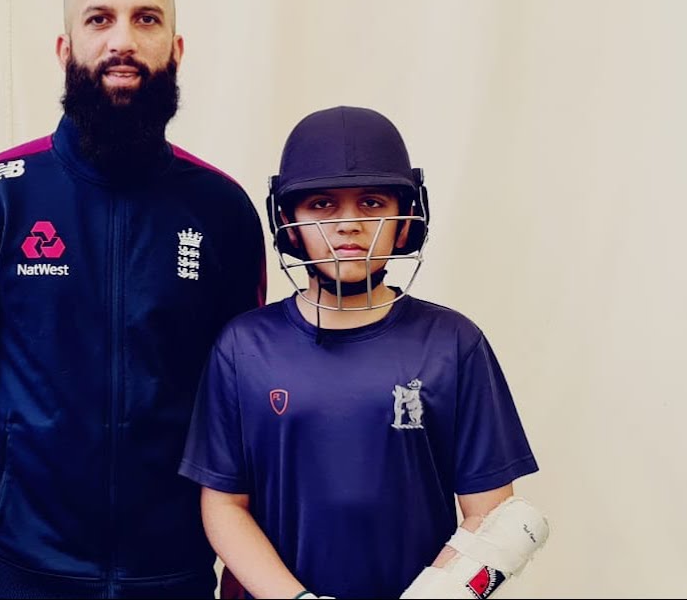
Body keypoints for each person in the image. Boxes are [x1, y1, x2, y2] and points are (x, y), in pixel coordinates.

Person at [0, 0, 267, 599]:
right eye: (99, 19)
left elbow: (242, 417)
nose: (122, 40)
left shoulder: (224, 212)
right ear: (64, 47)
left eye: (146, 19)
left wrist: (241, 579)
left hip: (173, 577)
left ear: (177, 48)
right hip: (18, 574)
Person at [179, 106, 549, 599]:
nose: (349, 224)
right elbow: (224, 506)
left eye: (372, 203)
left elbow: (491, 518)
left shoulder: (453, 342)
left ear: (404, 220)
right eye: (322, 204)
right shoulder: (244, 346)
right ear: (288, 221)